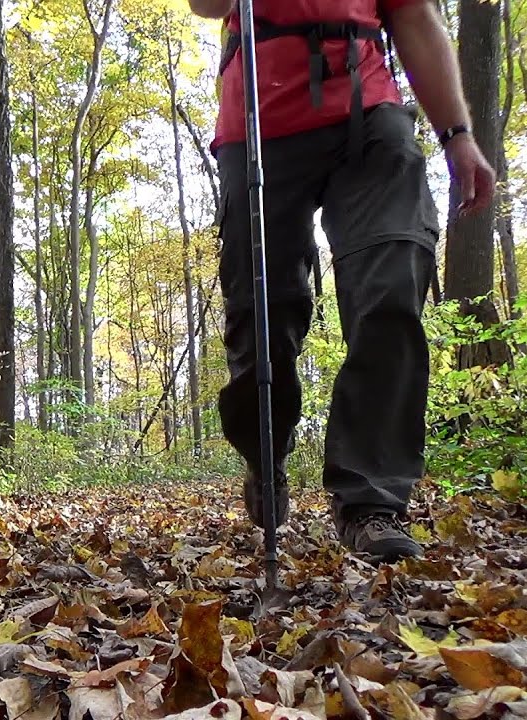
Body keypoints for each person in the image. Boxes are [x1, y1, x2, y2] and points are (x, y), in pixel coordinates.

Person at [187, 0, 495, 561]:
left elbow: (416, 19)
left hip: (369, 114)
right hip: (256, 124)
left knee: (390, 287)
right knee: (260, 314)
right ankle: (266, 454)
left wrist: (457, 134)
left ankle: (371, 502)